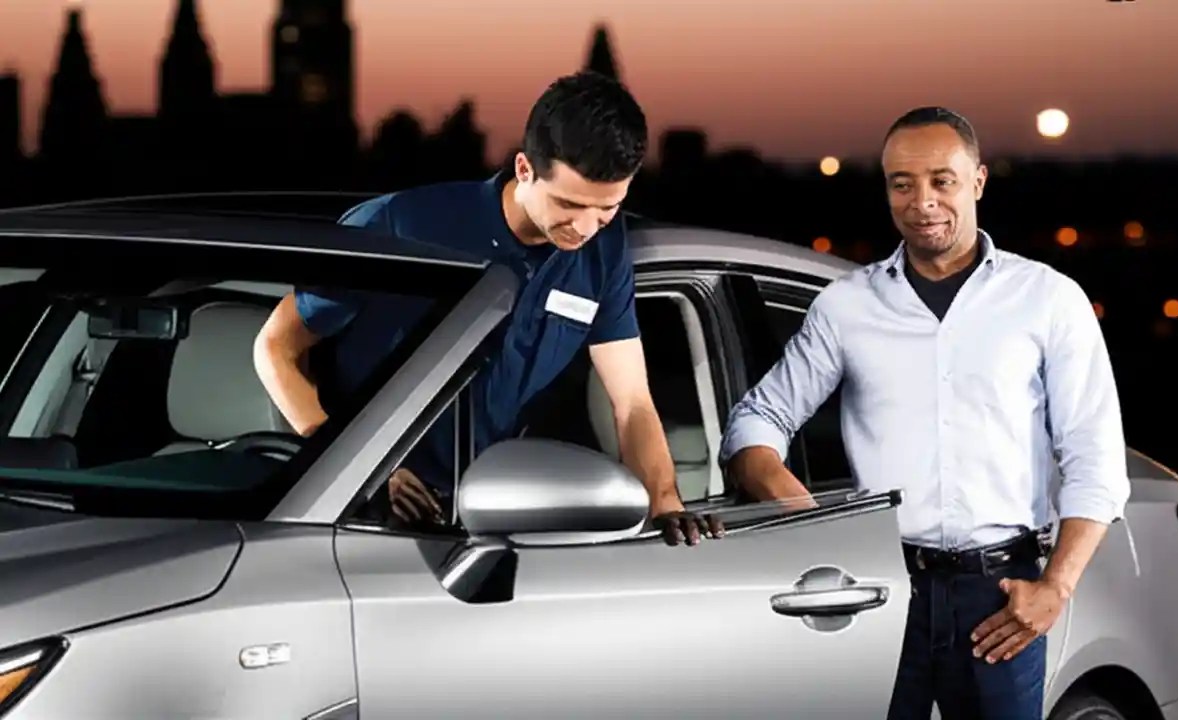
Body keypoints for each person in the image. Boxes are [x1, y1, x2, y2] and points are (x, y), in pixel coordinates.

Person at [717, 106, 1131, 718]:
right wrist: (810, 520)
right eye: (901, 184)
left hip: (1000, 595)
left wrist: (1055, 588)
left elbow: (1095, 459)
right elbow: (756, 421)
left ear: (979, 181)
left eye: (943, 181)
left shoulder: (1047, 299)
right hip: (878, 589)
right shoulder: (846, 307)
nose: (922, 202)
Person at [253, 71, 723, 547]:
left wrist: (666, 503)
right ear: (524, 169)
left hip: (484, 519)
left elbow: (632, 402)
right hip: (352, 516)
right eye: (568, 204)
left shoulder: (603, 253)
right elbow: (275, 349)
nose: (584, 228)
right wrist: (350, 474)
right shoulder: (401, 227)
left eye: (606, 211)